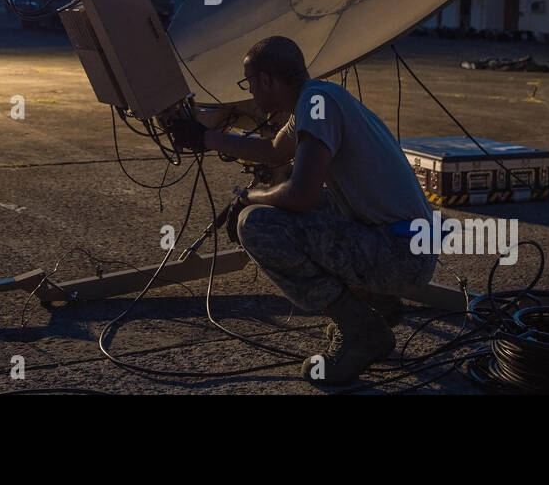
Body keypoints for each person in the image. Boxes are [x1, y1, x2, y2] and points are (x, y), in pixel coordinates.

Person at [169, 35, 437, 386]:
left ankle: (360, 328)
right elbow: (275, 151)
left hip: (400, 257)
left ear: (266, 80)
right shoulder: (319, 98)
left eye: (250, 84)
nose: (250, 94)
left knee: (258, 225)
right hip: (405, 244)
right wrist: (203, 138)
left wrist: (250, 199)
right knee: (314, 206)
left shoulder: (316, 104)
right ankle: (377, 303)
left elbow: (300, 196)